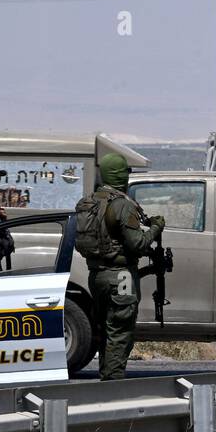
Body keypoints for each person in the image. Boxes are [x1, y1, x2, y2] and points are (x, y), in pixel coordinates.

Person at [73, 153, 165, 380]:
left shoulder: (90, 202)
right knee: (120, 330)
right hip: (121, 277)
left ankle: (106, 374)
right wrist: (156, 228)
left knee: (106, 328)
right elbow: (138, 244)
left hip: (96, 276)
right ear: (121, 175)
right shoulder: (122, 205)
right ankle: (112, 382)